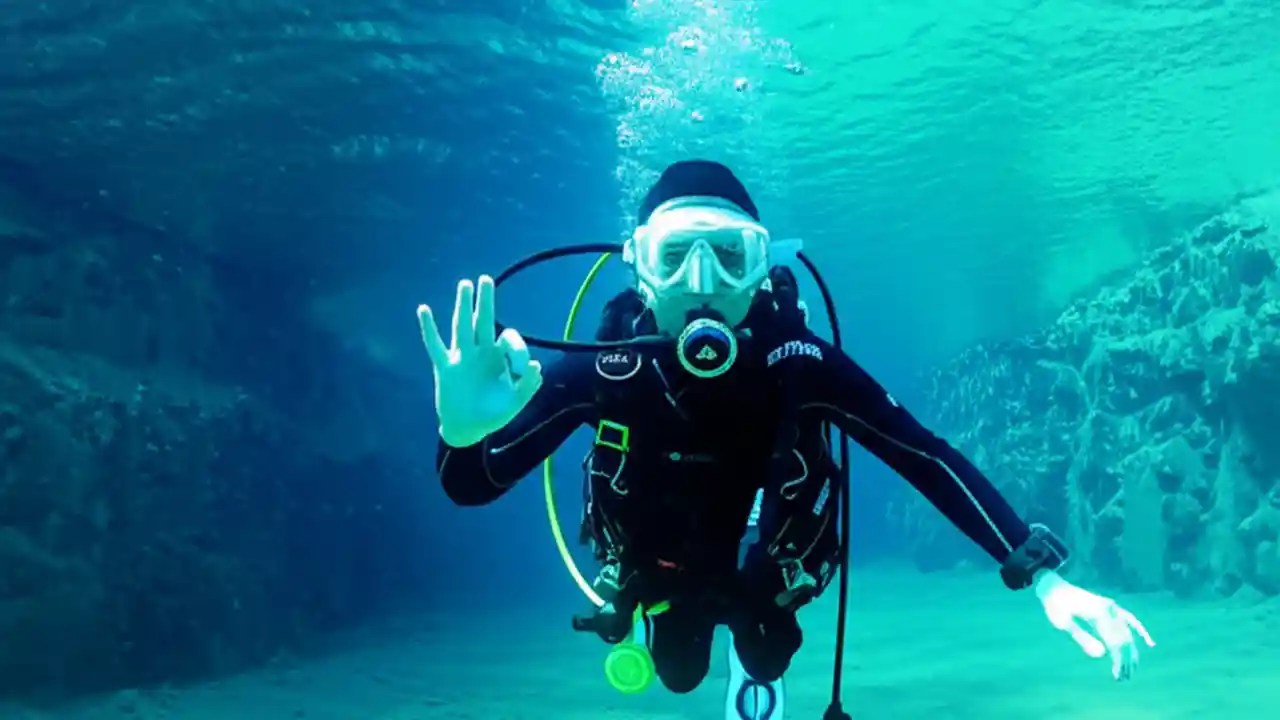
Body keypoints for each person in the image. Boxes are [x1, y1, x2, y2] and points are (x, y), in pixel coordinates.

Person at [417, 160, 1155, 718]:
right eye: (673, 256)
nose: (700, 281)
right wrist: (461, 430)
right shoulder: (605, 372)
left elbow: (923, 455)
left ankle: (750, 663)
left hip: (771, 568)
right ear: (639, 270)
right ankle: (689, 638)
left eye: (729, 255)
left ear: (762, 266)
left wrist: (1043, 578)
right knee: (677, 672)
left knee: (765, 653)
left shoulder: (799, 366)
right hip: (658, 570)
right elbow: (469, 483)